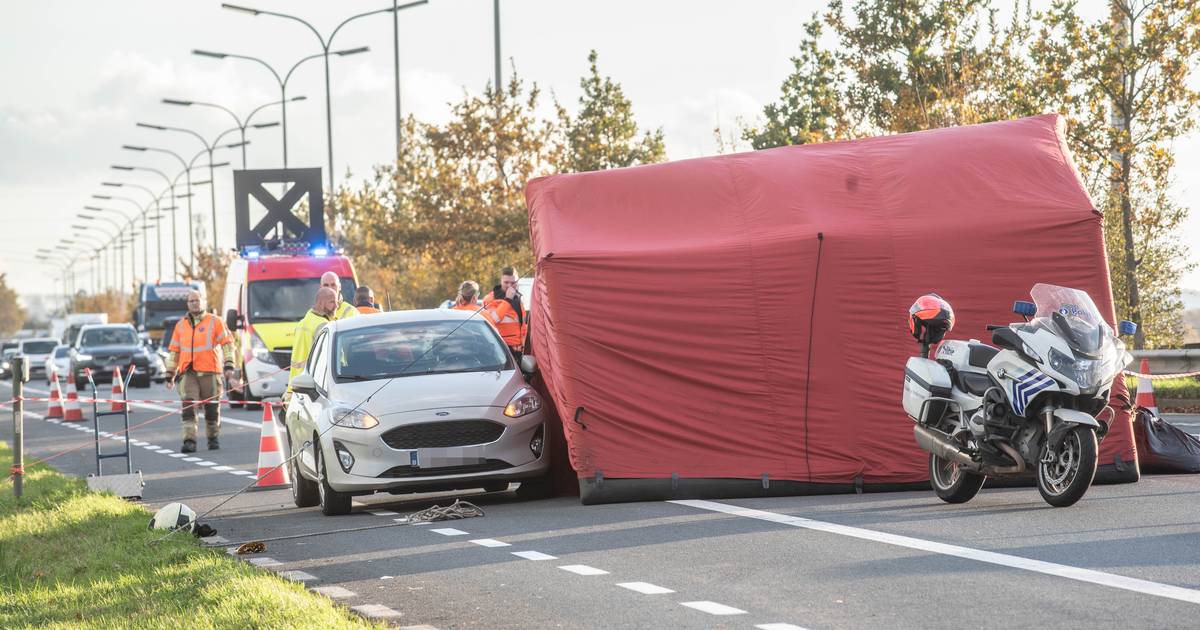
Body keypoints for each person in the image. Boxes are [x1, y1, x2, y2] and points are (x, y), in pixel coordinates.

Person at [165, 290, 237, 453]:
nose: (194, 304)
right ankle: (189, 441)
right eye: (191, 301)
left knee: (212, 409)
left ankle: (213, 438)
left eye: (197, 300)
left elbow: (228, 344)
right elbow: (174, 352)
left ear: (204, 302)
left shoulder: (215, 321)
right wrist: (169, 374)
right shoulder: (180, 325)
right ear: (187, 304)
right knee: (188, 407)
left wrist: (229, 364)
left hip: (210, 372)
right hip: (188, 373)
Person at [289, 287, 338, 389]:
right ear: (320, 303)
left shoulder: (302, 322)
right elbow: (329, 359)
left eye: (336, 302)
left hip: (295, 385)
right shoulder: (323, 325)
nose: (336, 306)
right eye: (332, 302)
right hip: (312, 385)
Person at [484, 267, 527, 355]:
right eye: (506, 282)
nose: (509, 286)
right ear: (501, 281)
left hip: (518, 349)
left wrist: (523, 344)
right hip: (501, 349)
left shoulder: (518, 297)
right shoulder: (490, 298)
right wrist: (507, 300)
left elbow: (522, 324)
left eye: (513, 282)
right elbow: (493, 319)